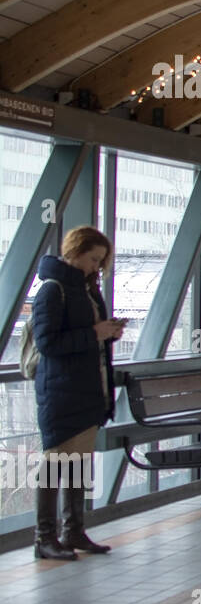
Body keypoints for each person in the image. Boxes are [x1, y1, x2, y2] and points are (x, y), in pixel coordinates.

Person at [30, 226, 122, 560]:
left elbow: (86, 338)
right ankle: (45, 537)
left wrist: (107, 333)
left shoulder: (88, 291)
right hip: (62, 391)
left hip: (87, 388)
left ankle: (72, 530)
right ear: (75, 252)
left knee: (78, 463)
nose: (97, 266)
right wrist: (93, 333)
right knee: (55, 463)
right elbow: (48, 343)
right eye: (93, 258)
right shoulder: (53, 291)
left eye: (101, 261)